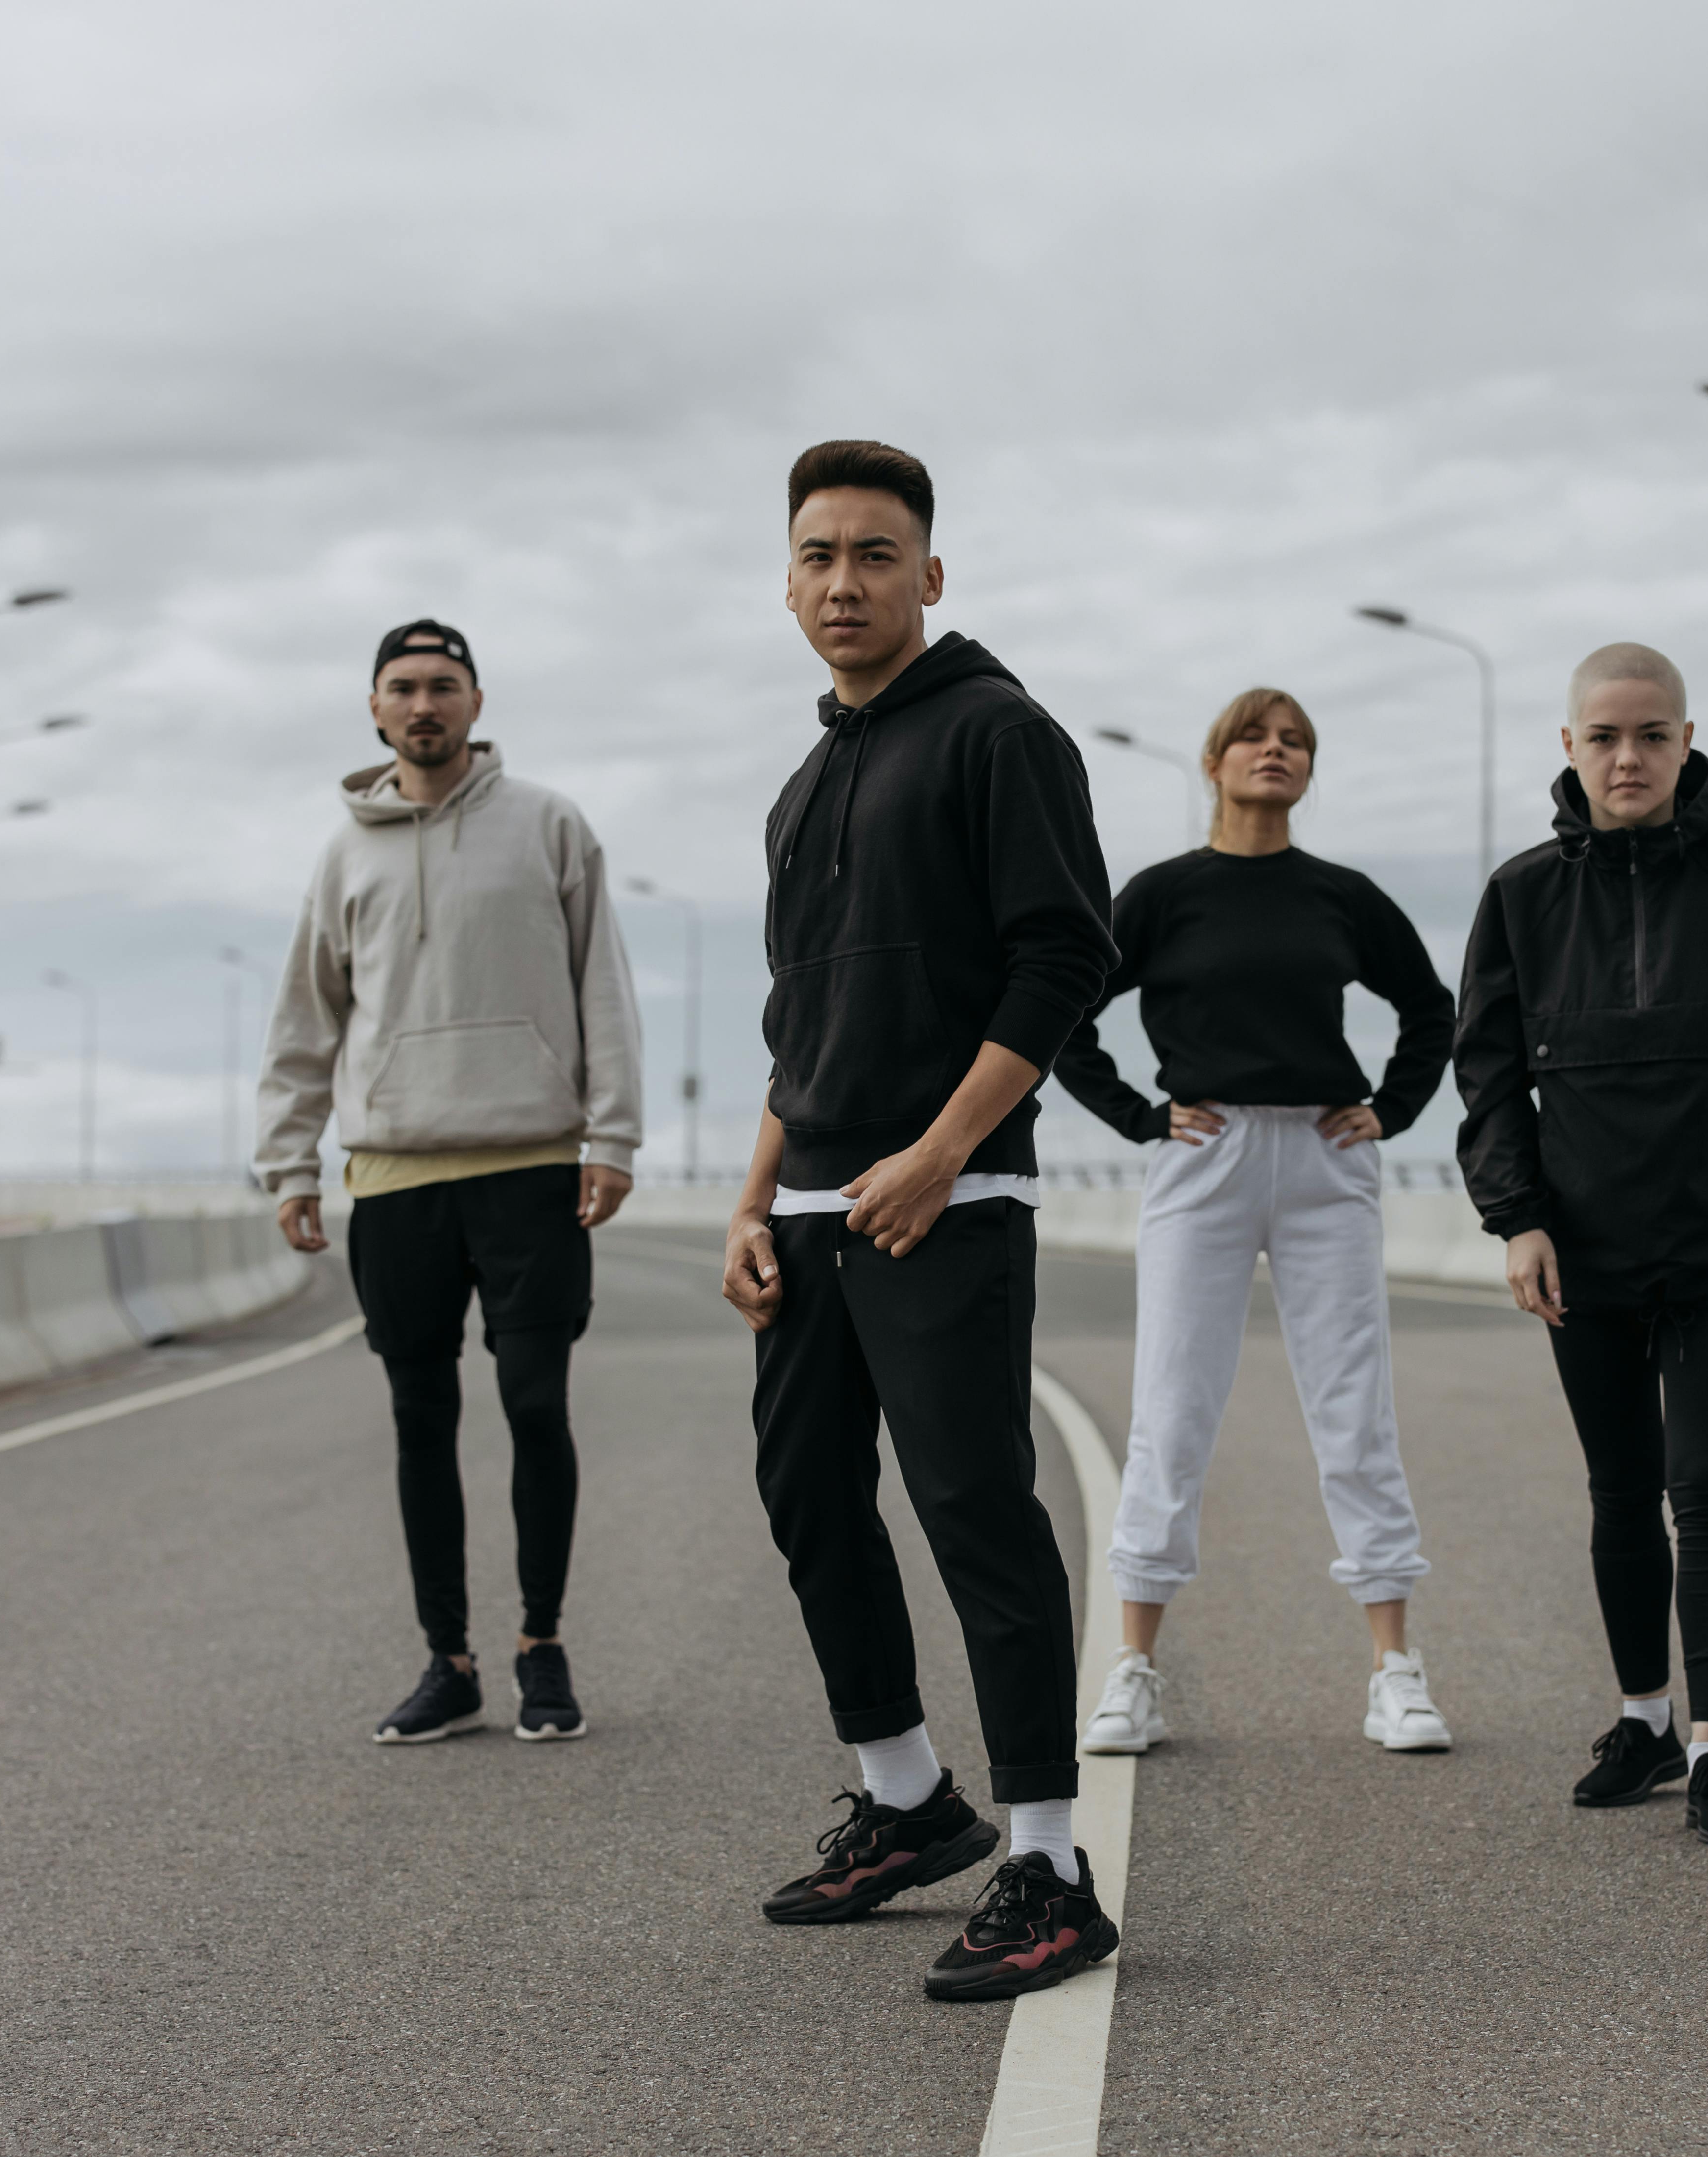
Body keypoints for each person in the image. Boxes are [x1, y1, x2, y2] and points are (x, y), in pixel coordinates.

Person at [719, 440, 1122, 2004]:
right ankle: (904, 1799)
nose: (844, 582)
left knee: (975, 1512)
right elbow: (795, 1024)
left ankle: (1051, 1866)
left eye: (875, 555)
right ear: (789, 582)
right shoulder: (803, 782)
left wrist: (943, 1151)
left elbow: (1061, 959)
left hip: (944, 1199)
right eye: (818, 556)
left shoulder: (998, 734)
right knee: (809, 1498)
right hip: (811, 1204)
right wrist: (752, 1202)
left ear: (929, 575)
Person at [1454, 643, 1708, 1847]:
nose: (1627, 758)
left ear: (1685, 741)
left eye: (1650, 735)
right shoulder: (1520, 895)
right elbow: (1486, 1074)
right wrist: (1517, 1216)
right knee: (1620, 1492)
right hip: (1584, 1244)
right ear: (1569, 748)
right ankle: (1643, 1723)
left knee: (1707, 1489)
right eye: (1604, 737)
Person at [256, 619, 643, 1747]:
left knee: (535, 1408)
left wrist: (612, 1138)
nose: (423, 705)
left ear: (475, 701)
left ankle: (541, 1645)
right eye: (403, 688)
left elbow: (604, 987)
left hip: (531, 1168)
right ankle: (449, 1661)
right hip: (394, 1179)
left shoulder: (550, 825)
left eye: (442, 685)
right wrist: (289, 1161)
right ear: (376, 710)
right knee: (419, 1419)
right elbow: (305, 1023)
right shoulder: (344, 854)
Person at [1050, 687, 1457, 1757]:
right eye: (1255, 737)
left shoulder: (1340, 897)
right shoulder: (1163, 895)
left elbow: (1431, 1008)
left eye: (1295, 742)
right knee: (1172, 1410)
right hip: (1206, 1156)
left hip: (1327, 1162)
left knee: (1354, 1410)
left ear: (1308, 771)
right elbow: (1065, 1009)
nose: (1275, 751)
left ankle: (1394, 1672)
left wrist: (1393, 1108)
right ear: (1214, 761)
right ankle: (1133, 1672)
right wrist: (1139, 1116)